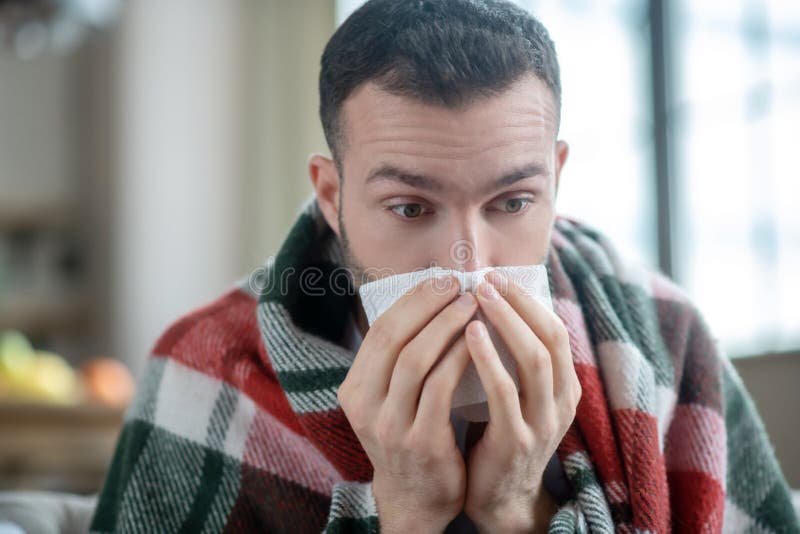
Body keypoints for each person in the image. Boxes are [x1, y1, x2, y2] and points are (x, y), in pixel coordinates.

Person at [90, 1, 799, 532]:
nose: (468, 263)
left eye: (512, 201)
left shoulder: (665, 336)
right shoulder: (204, 372)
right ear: (333, 198)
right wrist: (402, 512)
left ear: (556, 180)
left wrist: (521, 507)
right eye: (410, 208)